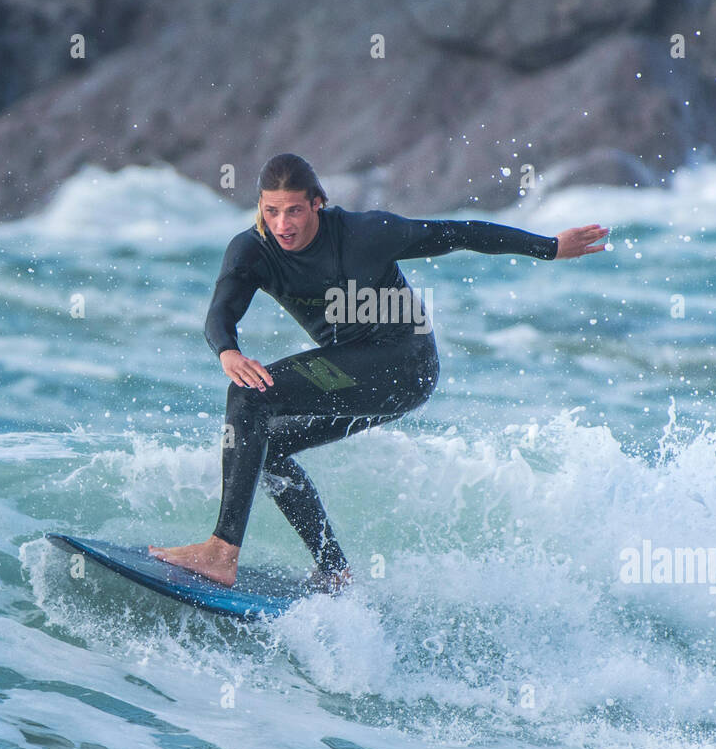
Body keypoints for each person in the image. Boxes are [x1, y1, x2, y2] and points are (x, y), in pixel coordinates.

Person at [149, 153, 608, 590]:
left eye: (294, 211)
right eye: (271, 212)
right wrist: (227, 351)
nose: (282, 225)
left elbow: (458, 232)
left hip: (406, 364)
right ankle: (335, 573)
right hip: (352, 368)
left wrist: (549, 247)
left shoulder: (366, 233)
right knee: (265, 445)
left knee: (251, 396)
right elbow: (220, 313)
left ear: (318, 204)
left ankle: (222, 551)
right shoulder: (252, 251)